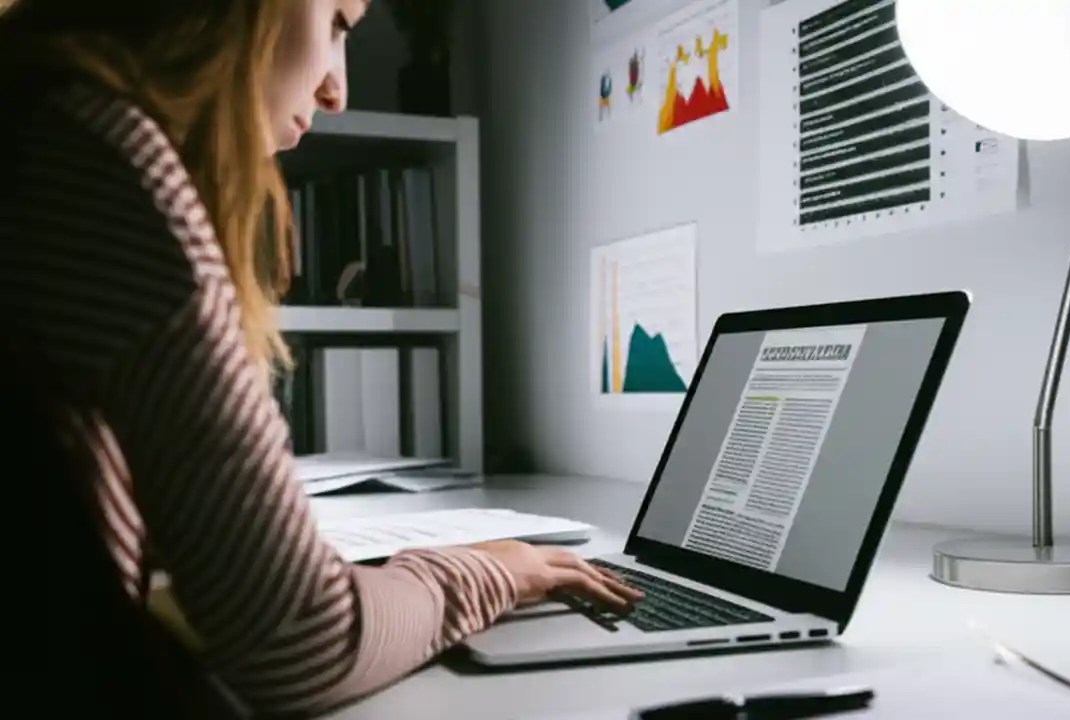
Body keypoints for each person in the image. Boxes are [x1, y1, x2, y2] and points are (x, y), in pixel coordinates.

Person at [0, 0, 640, 715]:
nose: (338, 88)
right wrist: (485, 571)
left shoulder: (40, 117)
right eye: (336, 23)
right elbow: (300, 638)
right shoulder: (99, 162)